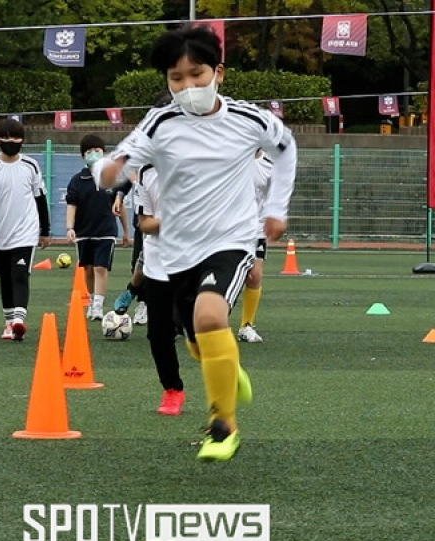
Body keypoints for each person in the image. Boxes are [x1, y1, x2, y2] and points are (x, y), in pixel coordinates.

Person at [95, 25, 297, 461]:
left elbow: (286, 147)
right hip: (176, 248)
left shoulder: (248, 120)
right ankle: (228, 370)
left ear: (218, 73)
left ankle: (223, 426)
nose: (187, 86)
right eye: (176, 78)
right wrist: (108, 172)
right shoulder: (161, 122)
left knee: (209, 316)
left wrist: (276, 209)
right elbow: (121, 159)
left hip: (232, 239)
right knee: (195, 338)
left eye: (197, 74)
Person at [0, 118, 51, 341]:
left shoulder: (31, 166)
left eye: (16, 137)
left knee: (19, 274)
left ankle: (19, 320)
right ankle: (9, 323)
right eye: (6, 137)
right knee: (4, 277)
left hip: (26, 231)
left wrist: (44, 230)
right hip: (1, 232)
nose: (11, 141)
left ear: (23, 141)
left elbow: (40, 199)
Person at [132, 162, 185, 415]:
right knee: (158, 333)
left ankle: (226, 375)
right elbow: (144, 223)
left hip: (194, 261)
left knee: (200, 331)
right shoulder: (146, 171)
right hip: (158, 265)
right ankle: (172, 390)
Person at [65, 134, 129, 321]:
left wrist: (125, 231)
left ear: (104, 152)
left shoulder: (112, 177)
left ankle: (98, 307)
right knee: (88, 269)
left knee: (101, 268)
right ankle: (92, 301)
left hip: (106, 231)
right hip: (84, 232)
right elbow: (71, 205)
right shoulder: (77, 180)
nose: (94, 154)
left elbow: (120, 204)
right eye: (89, 151)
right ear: (83, 156)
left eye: (97, 151)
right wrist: (70, 227)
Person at [236, 150, 274, 343]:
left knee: (255, 275)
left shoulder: (269, 163)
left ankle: (246, 325)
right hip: (227, 227)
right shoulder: (230, 155)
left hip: (256, 229)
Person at [110, 177, 148, 325]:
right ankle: (139, 300)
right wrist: (119, 197)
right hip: (146, 225)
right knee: (140, 265)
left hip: (174, 228)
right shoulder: (143, 168)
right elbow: (127, 181)